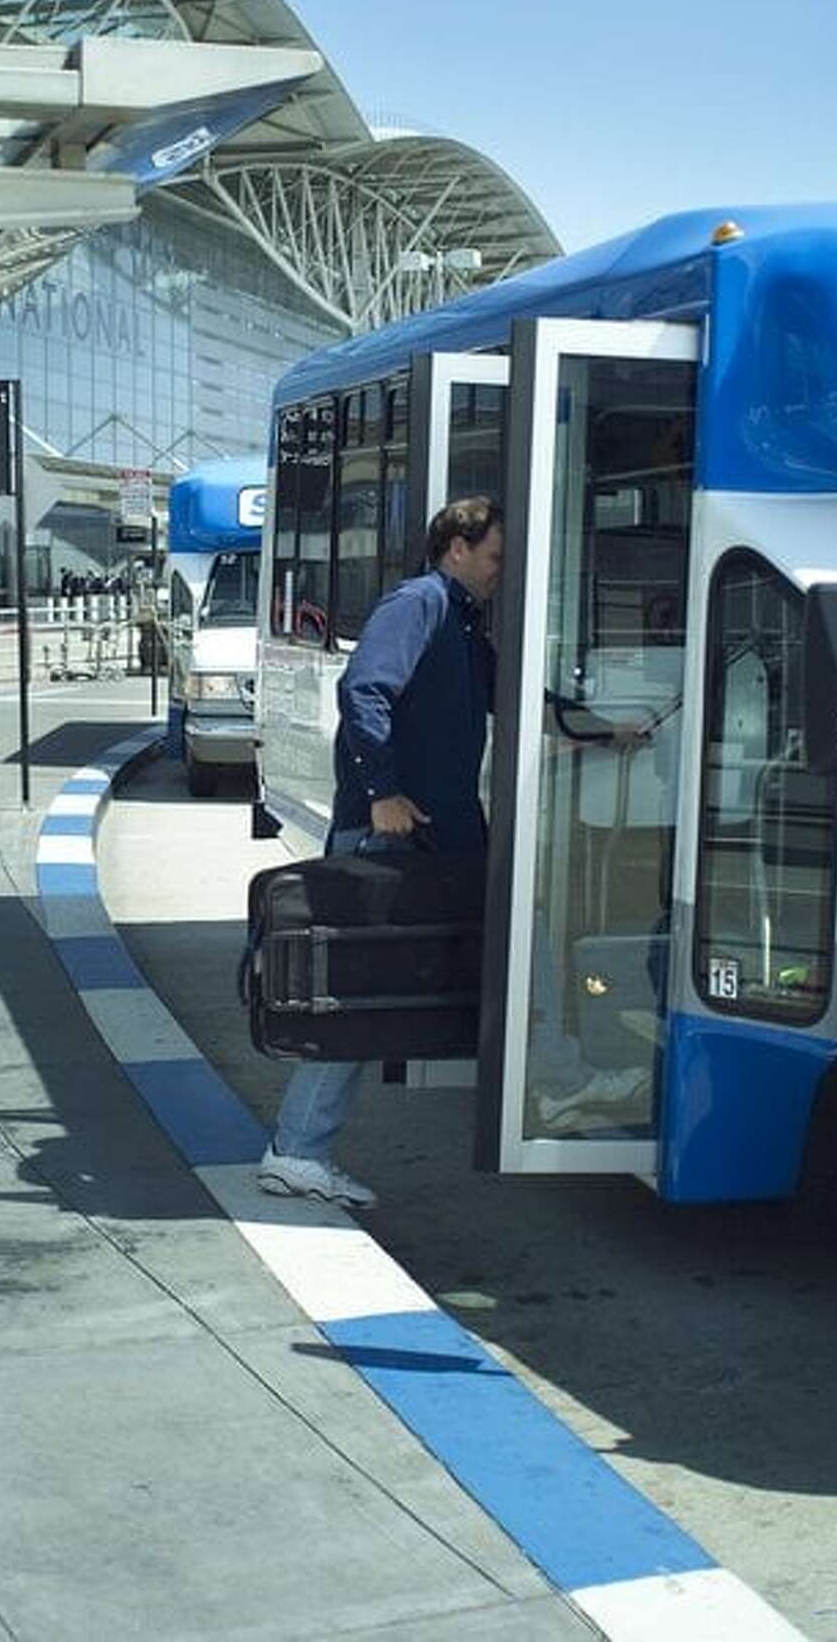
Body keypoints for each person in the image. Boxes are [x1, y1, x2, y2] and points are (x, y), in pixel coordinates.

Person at [257, 495, 504, 1210]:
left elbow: (507, 695)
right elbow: (362, 690)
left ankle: (300, 1149)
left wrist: (587, 727)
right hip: (391, 833)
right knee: (357, 1001)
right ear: (456, 547)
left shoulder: (458, 619)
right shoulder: (419, 604)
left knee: (375, 996)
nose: (500, 570)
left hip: (435, 834)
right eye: (494, 556)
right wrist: (383, 793)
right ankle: (296, 1151)